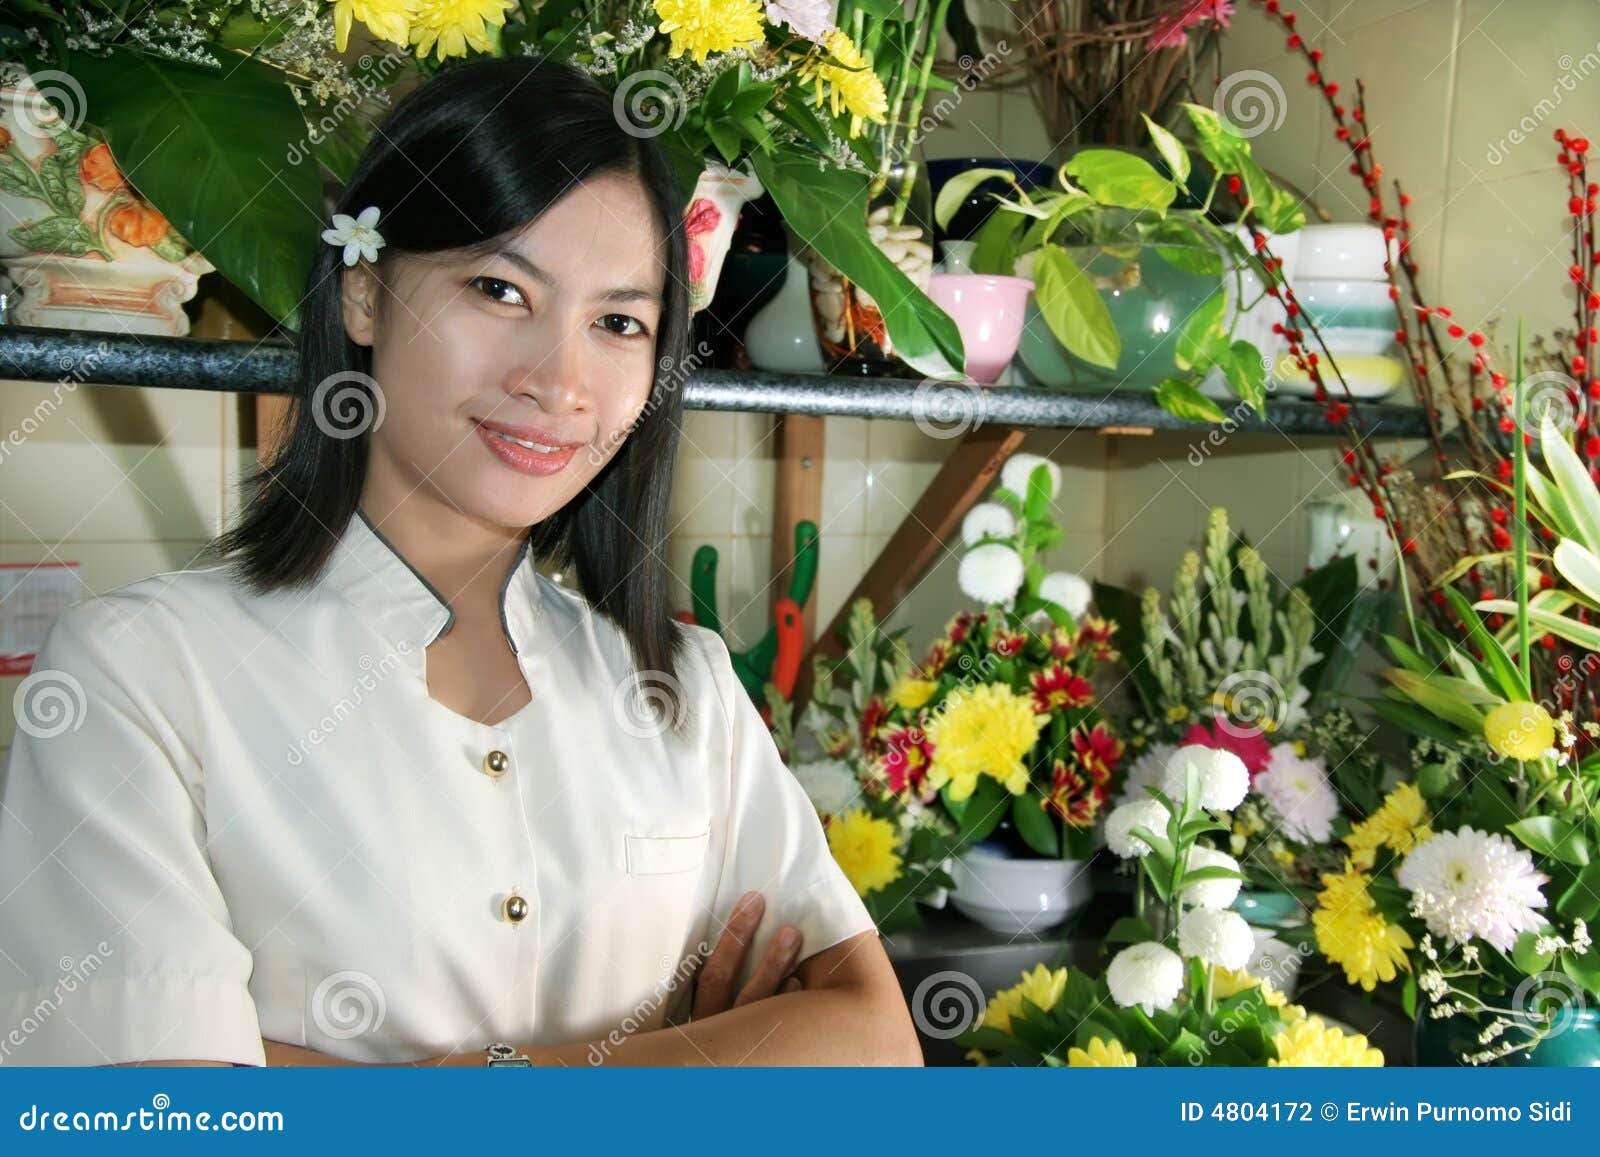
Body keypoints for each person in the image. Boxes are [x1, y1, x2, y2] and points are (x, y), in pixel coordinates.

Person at [0, 55, 921, 1068]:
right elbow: (152, 1111)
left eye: (618, 322)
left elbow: (873, 1043)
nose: (558, 381)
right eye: (497, 288)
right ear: (362, 292)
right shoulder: (140, 674)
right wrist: (687, 1058)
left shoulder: (684, 690)